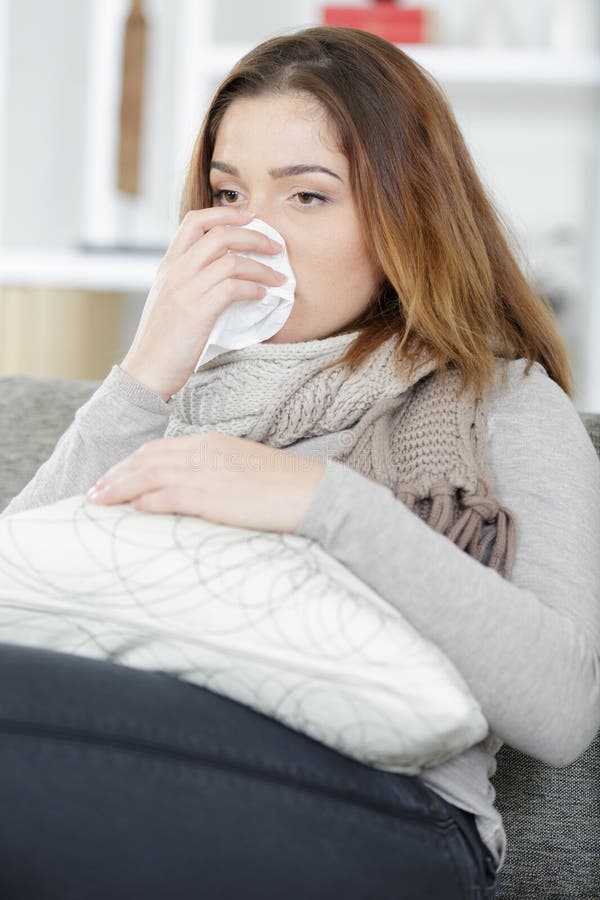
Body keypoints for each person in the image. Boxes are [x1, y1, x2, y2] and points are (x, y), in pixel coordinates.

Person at [1, 24, 599, 900]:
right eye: (228, 193)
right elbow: (19, 592)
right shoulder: (184, 403)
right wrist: (148, 370)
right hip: (149, 754)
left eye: (307, 197)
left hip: (393, 813)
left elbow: (561, 706)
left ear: (408, 212)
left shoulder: (500, 398)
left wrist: (319, 500)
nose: (254, 234)